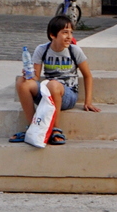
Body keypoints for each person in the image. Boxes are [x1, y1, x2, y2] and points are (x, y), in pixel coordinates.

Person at [11, 15, 99, 144]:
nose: (69, 36)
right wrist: (27, 76)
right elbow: (35, 77)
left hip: (67, 95)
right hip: (48, 92)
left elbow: (87, 76)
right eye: (64, 32)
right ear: (53, 35)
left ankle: (55, 129)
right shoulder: (42, 49)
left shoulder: (74, 51)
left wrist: (88, 101)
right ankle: (34, 127)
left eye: (71, 32)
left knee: (53, 85)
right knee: (21, 82)